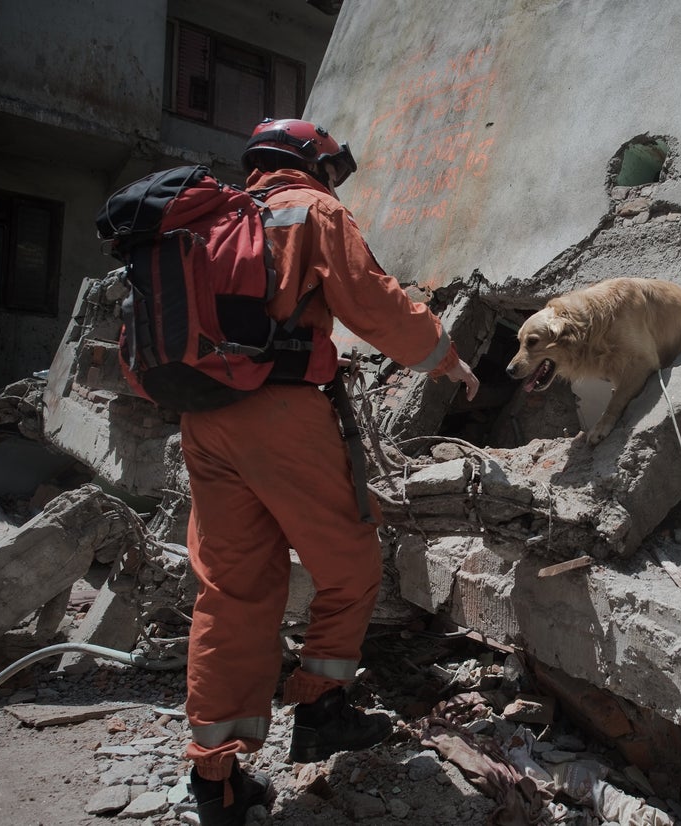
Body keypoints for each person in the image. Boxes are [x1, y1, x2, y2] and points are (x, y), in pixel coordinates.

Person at [182, 117, 480, 825]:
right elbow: (371, 301)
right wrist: (446, 357)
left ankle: (215, 783)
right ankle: (321, 708)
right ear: (312, 162)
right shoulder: (312, 210)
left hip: (201, 417)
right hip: (280, 413)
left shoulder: (210, 218)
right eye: (331, 170)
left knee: (232, 590)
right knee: (350, 560)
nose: (332, 182)